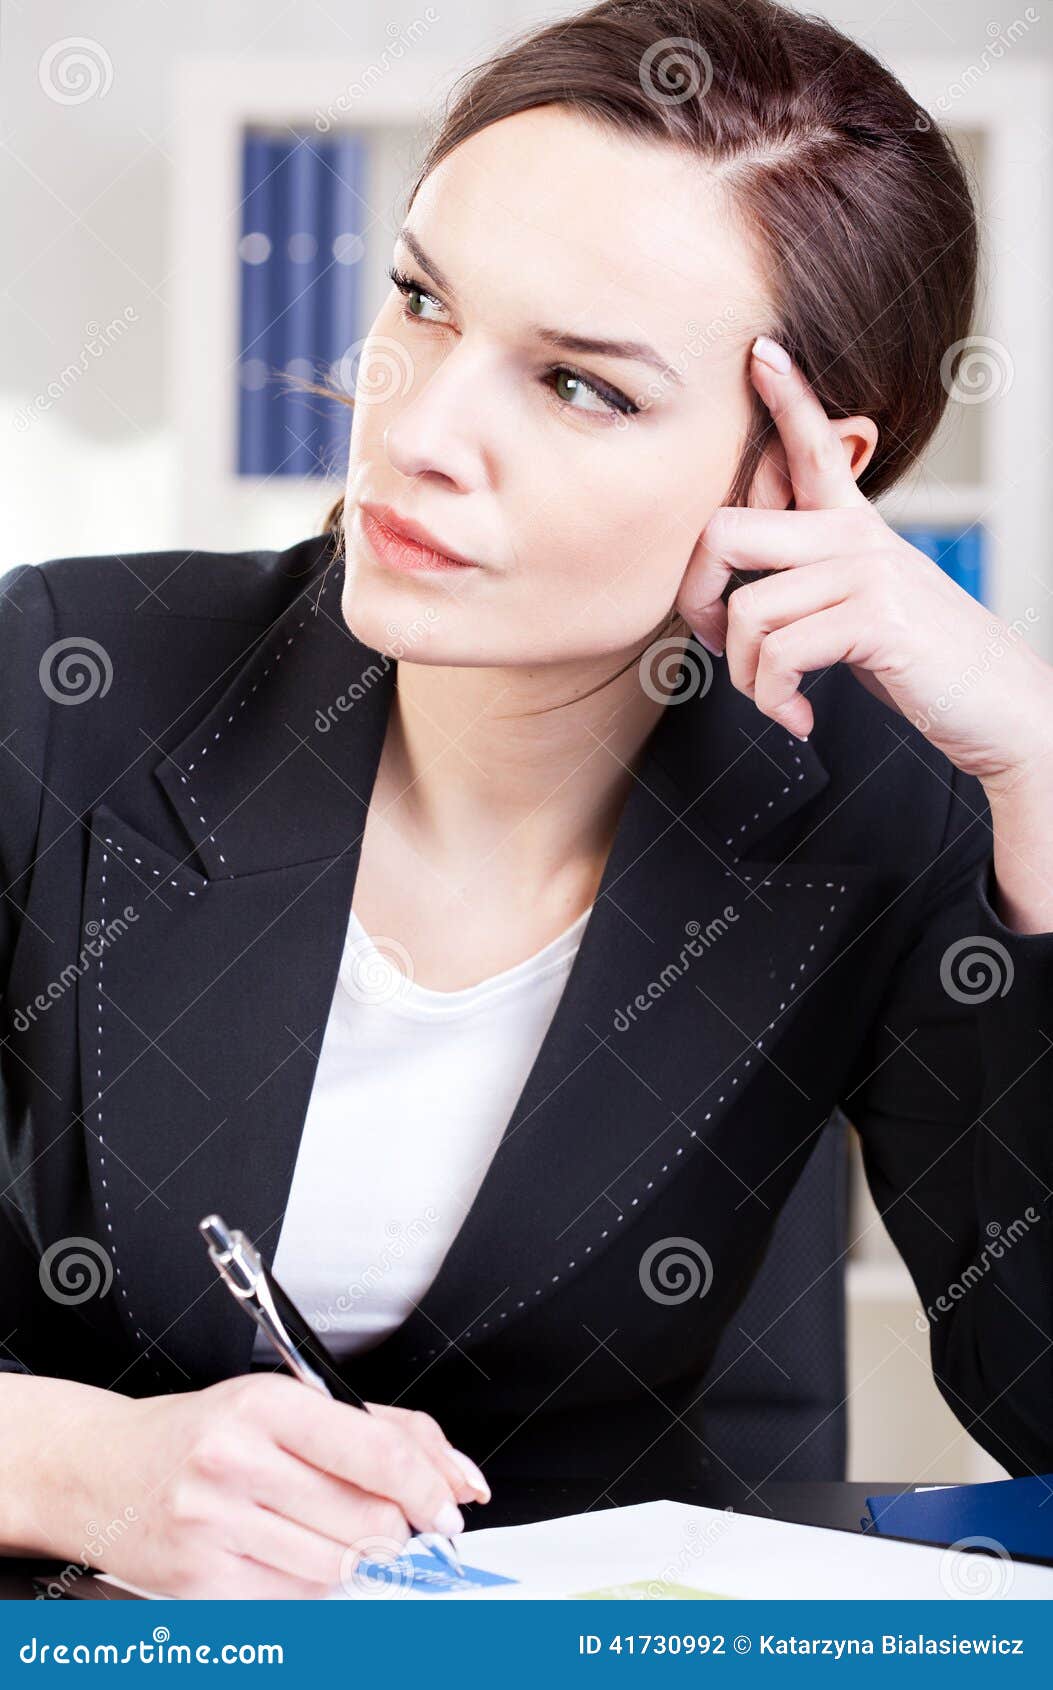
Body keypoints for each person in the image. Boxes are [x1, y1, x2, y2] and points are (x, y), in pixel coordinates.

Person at [1, 0, 1052, 1600]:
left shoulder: (876, 817)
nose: (412, 429)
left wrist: (1042, 768)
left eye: (578, 386)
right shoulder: (61, 680)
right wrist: (76, 1469)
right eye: (421, 300)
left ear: (787, 476)